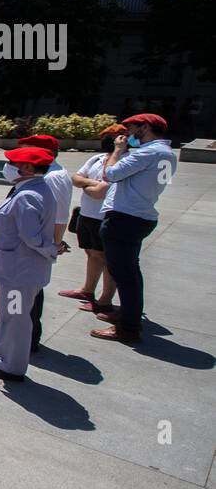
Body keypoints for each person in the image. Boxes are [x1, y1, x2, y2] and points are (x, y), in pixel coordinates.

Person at [0, 147, 59, 381]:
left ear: (27, 168)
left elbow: (31, 236)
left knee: (16, 318)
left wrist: (52, 250)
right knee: (8, 313)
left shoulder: (28, 195)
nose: (7, 167)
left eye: (12, 162)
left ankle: (12, 365)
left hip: (19, 271)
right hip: (14, 269)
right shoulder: (29, 189)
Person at [92, 113, 178, 344]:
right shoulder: (169, 155)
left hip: (125, 218)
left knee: (125, 274)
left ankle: (128, 327)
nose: (127, 135)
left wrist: (117, 151)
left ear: (146, 127)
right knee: (130, 272)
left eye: (130, 129)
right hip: (141, 215)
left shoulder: (148, 153)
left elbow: (109, 174)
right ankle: (128, 315)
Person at [15, 134, 73, 353]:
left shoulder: (52, 178)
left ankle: (23, 342)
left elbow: (59, 216)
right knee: (26, 298)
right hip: (35, 247)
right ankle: (19, 339)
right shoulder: (50, 174)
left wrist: (53, 247)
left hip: (34, 250)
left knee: (24, 299)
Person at [61, 124, 127, 315]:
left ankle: (105, 300)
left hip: (105, 216)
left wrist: (88, 185)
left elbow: (99, 193)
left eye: (113, 137)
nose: (108, 140)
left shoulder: (124, 162)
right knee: (91, 253)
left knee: (107, 258)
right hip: (87, 214)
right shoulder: (97, 158)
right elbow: (76, 178)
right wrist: (91, 184)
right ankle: (87, 290)